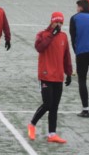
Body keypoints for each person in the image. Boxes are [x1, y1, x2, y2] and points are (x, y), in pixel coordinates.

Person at [28, 12, 73, 144]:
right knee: (47, 104)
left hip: (58, 76)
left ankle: (52, 134)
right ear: (51, 22)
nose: (58, 25)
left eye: (60, 23)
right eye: (56, 22)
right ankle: (32, 124)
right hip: (46, 75)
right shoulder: (42, 35)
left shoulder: (64, 37)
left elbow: (67, 56)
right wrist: (52, 35)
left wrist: (68, 73)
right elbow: (39, 47)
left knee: (54, 106)